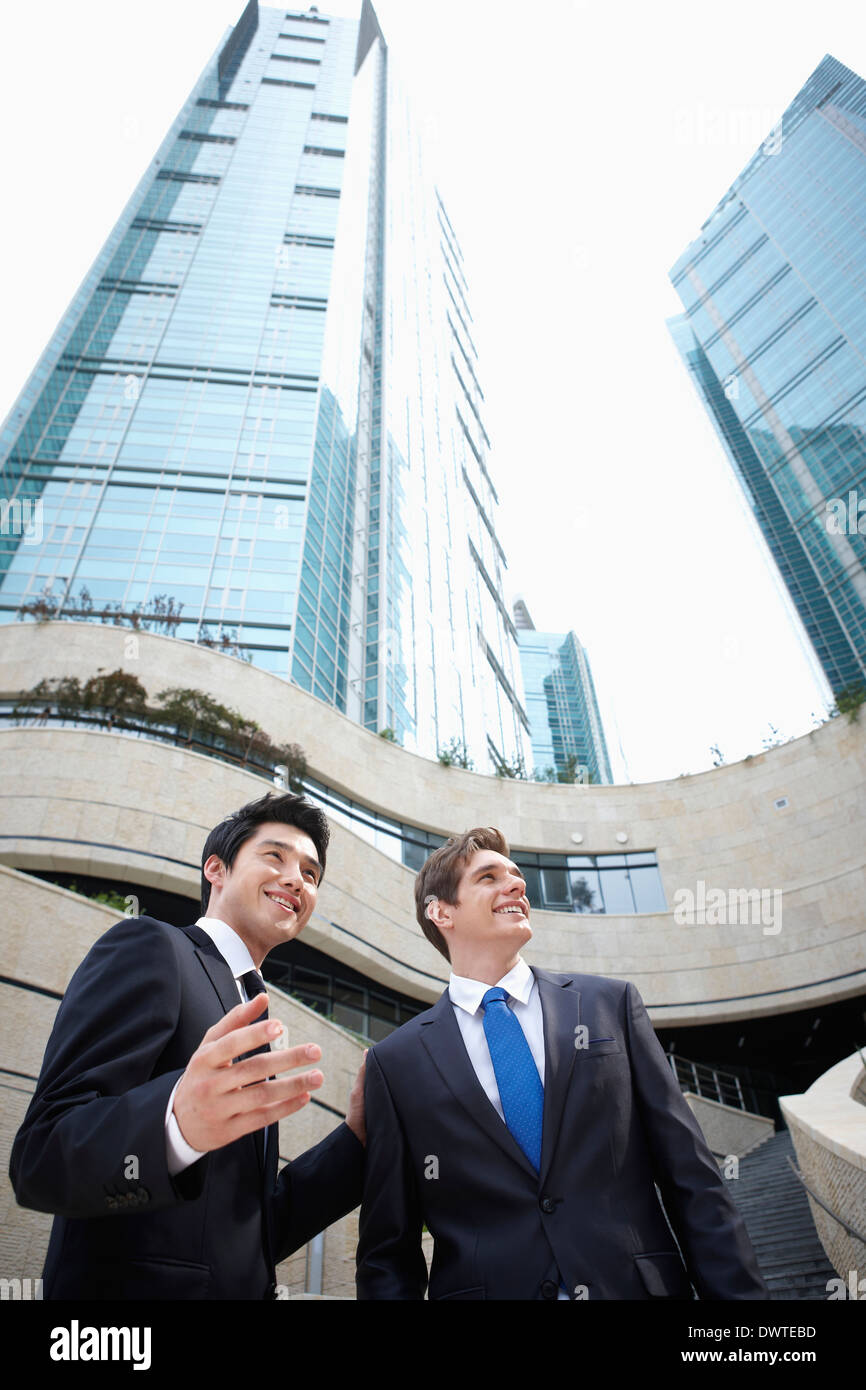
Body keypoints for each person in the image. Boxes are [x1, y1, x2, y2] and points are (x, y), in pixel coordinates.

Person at [356, 827, 768, 1301]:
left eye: (515, 875)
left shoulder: (610, 1004)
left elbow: (692, 1178)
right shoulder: (396, 1062)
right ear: (441, 912)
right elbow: (387, 1252)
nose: (517, 884)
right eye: (488, 877)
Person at [10, 791, 365, 1299]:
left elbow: (249, 1233)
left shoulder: (250, 1010)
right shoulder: (153, 947)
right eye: (275, 856)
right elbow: (42, 1157)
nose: (296, 880)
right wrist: (173, 1125)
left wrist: (357, 1141)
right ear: (215, 869)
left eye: (311, 874)